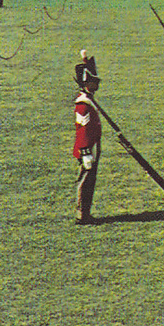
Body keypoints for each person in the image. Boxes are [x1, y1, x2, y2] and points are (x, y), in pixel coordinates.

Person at [73, 52, 102, 225]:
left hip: (92, 147)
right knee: (85, 182)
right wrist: (85, 153)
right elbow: (82, 131)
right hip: (87, 150)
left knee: (90, 181)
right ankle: (81, 213)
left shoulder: (88, 100)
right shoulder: (83, 105)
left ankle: (86, 212)